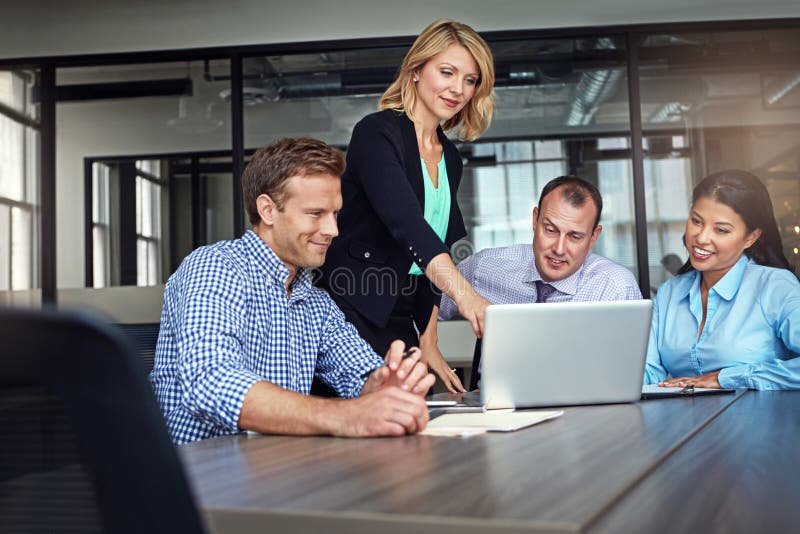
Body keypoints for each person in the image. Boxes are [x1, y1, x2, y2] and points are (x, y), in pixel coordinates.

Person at [149, 138, 435, 445]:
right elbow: (211, 383)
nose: (332, 230)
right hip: (203, 475)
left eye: (335, 214)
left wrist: (382, 386)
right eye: (315, 213)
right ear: (268, 210)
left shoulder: (314, 300)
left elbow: (359, 372)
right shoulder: (215, 267)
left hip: (278, 469)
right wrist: (345, 416)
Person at [318, 19, 495, 393]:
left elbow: (433, 247)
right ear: (416, 70)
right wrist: (465, 295)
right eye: (447, 72)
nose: (458, 89)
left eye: (470, 80)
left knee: (424, 418)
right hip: (354, 307)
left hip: (404, 311)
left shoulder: (450, 157)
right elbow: (408, 226)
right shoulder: (376, 134)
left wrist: (429, 341)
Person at [438, 175, 642, 387]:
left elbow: (631, 375)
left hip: (584, 408)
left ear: (593, 237)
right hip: (496, 408)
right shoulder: (485, 268)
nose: (559, 249)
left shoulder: (615, 288)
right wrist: (426, 346)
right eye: (551, 230)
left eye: (575, 237)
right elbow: (421, 310)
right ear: (535, 220)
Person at [644, 170, 800, 390]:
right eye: (696, 221)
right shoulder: (670, 292)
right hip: (682, 422)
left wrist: (728, 378)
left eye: (721, 230)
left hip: (758, 421)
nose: (702, 237)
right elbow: (649, 373)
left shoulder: (775, 286)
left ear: (751, 237)